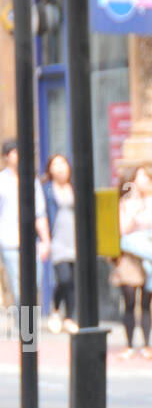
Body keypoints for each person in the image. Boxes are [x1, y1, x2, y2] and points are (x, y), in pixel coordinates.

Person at [113, 166, 152, 361]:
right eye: (143, 176)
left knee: (146, 303)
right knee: (129, 302)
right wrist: (135, 212)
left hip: (149, 256)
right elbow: (123, 229)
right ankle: (128, 344)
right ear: (133, 180)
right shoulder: (124, 203)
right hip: (129, 257)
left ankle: (147, 344)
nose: (147, 180)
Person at [0, 139, 51, 308]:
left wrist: (45, 240)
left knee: (33, 286)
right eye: (14, 152)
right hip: (10, 241)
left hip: (31, 242)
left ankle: (29, 329)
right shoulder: (2, 181)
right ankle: (27, 331)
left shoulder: (32, 180)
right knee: (18, 288)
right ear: (6, 157)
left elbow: (40, 212)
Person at [42, 154, 76, 333]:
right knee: (64, 278)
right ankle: (55, 310)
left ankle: (69, 317)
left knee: (73, 282)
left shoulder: (74, 187)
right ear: (49, 169)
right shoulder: (46, 190)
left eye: (63, 163)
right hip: (57, 240)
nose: (61, 168)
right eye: (55, 164)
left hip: (74, 239)